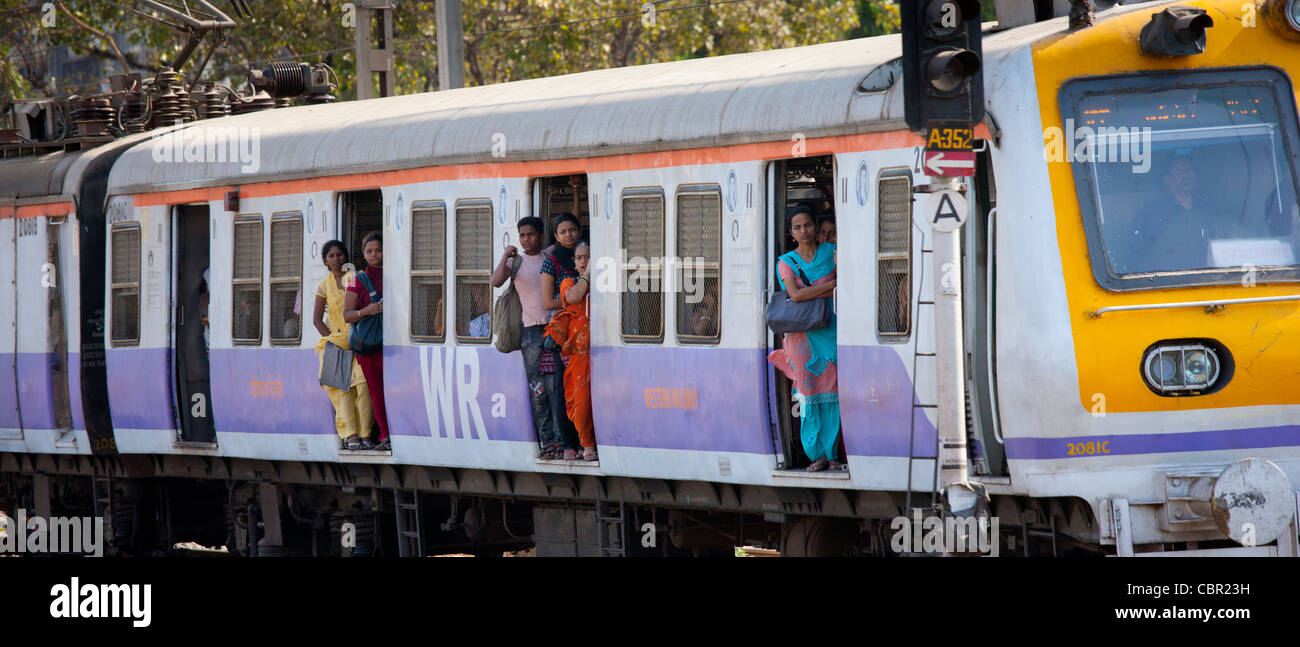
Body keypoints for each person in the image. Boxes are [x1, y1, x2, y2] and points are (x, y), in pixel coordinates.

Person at [767, 206, 843, 472]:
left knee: (832, 395)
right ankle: (816, 455)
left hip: (831, 330)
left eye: (808, 225)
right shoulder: (785, 262)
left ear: (815, 226)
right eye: (797, 227)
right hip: (802, 339)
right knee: (809, 396)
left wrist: (819, 290)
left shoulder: (830, 252)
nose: (804, 231)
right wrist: (832, 286)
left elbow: (849, 280)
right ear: (791, 232)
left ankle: (832, 454)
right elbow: (795, 296)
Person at [492, 217, 567, 459]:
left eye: (531, 234)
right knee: (538, 389)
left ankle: (560, 437)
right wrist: (505, 255)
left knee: (557, 387)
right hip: (531, 331)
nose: (526, 239)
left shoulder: (549, 257)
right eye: (522, 235)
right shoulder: (515, 262)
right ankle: (547, 441)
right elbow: (496, 281)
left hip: (554, 327)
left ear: (542, 236)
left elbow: (569, 227)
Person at [312, 240, 374, 450]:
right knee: (341, 389)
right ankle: (351, 434)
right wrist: (332, 341)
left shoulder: (353, 280)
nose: (336, 259)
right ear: (325, 261)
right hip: (336, 343)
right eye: (331, 256)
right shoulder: (323, 285)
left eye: (339, 255)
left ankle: (366, 433)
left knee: (363, 386)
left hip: (358, 340)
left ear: (345, 257)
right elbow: (317, 320)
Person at [538, 213, 583, 459]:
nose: (569, 235)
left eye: (572, 230)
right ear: (555, 236)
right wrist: (573, 300)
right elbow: (547, 302)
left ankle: (585, 440)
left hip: (586, 331)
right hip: (563, 335)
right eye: (563, 231)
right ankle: (568, 443)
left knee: (584, 388)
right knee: (563, 389)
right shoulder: (552, 262)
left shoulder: (586, 257)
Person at [547, 242, 596, 461]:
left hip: (604, 351)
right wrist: (587, 277)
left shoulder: (605, 282)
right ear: (574, 263)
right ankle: (587, 444)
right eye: (579, 258)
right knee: (582, 401)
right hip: (579, 354)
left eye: (587, 256)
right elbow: (574, 298)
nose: (583, 261)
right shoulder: (569, 282)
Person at [343, 232, 390, 451]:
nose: (375, 255)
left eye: (378, 250)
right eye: (369, 251)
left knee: (392, 388)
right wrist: (366, 311)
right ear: (363, 254)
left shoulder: (393, 274)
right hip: (370, 346)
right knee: (376, 389)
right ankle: (384, 434)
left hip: (393, 342)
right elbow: (347, 315)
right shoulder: (357, 280)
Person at [1128, 154, 1214, 272]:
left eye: (1190, 170)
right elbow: (1137, 261)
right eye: (1180, 171)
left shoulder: (1210, 208)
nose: (1187, 175)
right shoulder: (1148, 215)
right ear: (1167, 179)